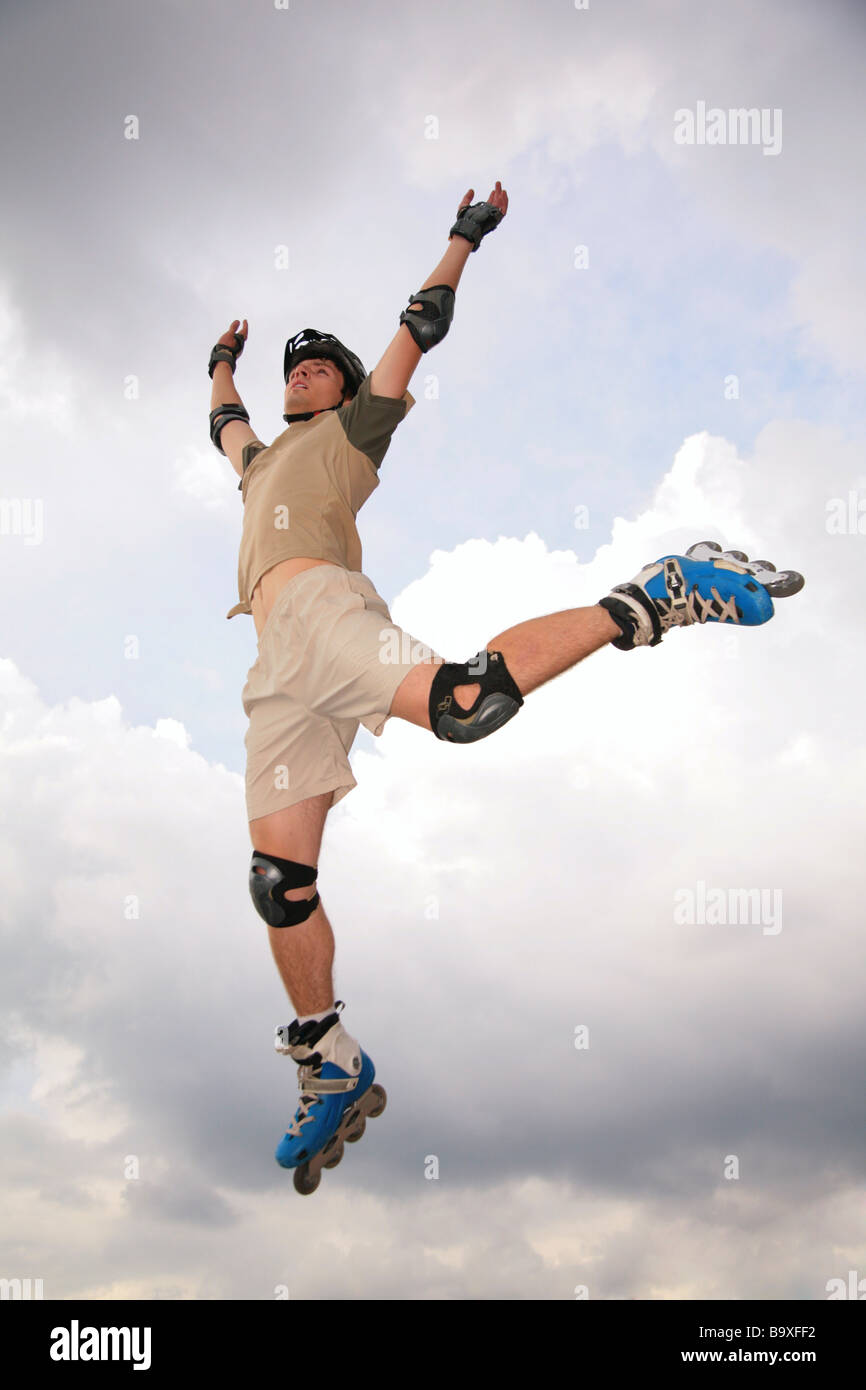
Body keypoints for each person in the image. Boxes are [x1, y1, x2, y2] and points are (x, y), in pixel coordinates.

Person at [207, 181, 804, 1191]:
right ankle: (329, 1062)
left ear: (343, 385)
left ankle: (655, 593)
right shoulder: (258, 459)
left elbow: (419, 326)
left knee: (462, 704)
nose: (303, 372)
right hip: (273, 667)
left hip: (324, 614)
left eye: (320, 364)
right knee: (280, 885)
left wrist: (461, 236)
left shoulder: (352, 429)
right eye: (293, 368)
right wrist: (222, 361)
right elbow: (220, 421)